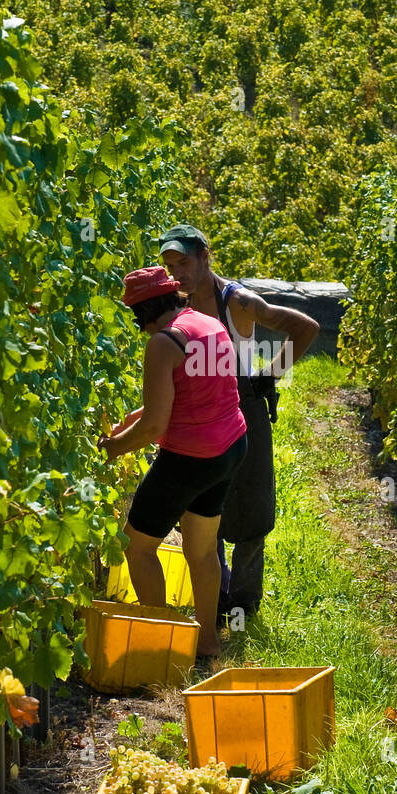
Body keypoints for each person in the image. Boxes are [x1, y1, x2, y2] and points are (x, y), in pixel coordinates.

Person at [158, 225, 319, 622]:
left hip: (241, 410)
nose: (178, 272)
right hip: (192, 411)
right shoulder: (172, 304)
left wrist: (269, 376)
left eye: (185, 261)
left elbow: (306, 328)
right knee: (200, 512)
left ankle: (243, 608)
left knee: (250, 512)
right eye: (171, 264)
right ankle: (213, 603)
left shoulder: (238, 303)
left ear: (205, 256)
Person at [98, 266, 248, 659]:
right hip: (229, 447)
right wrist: (128, 422)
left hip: (189, 458)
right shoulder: (207, 324)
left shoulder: (163, 343)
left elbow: (154, 428)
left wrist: (112, 448)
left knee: (137, 546)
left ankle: (163, 647)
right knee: (201, 550)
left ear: (143, 312)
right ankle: (208, 644)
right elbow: (184, 393)